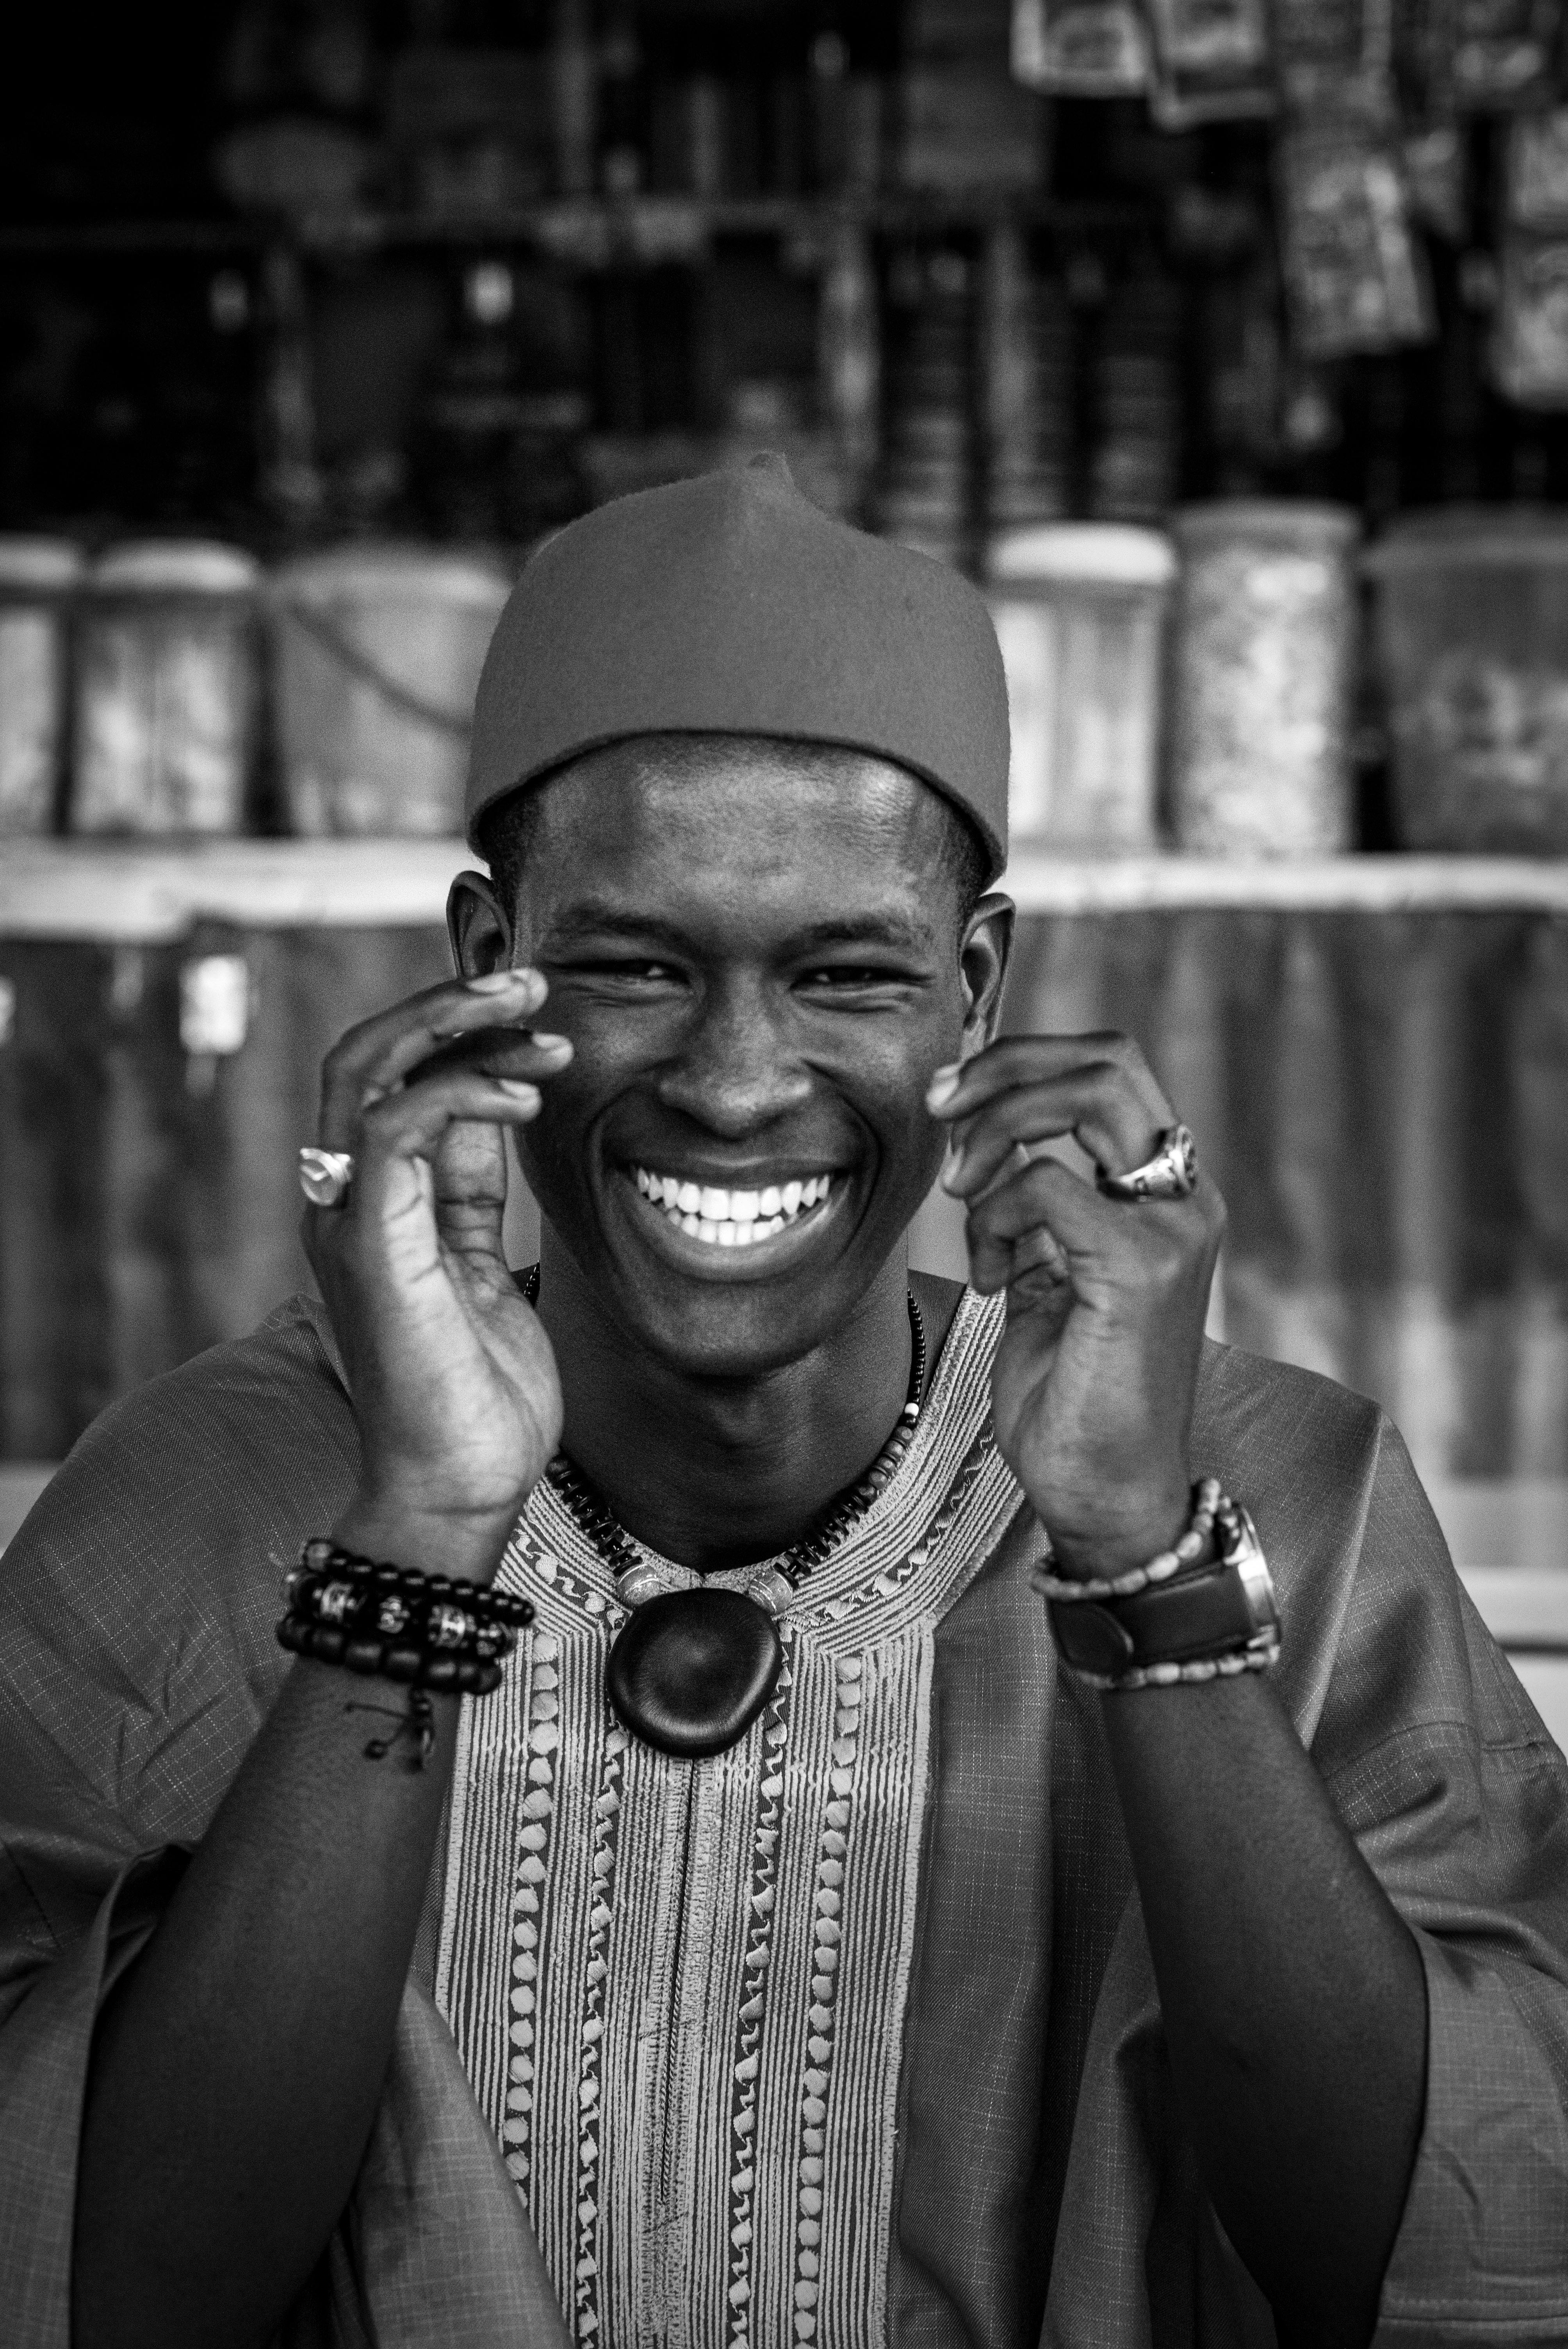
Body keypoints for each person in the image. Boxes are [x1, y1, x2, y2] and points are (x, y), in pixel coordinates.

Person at [3, 456, 1566, 2349]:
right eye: (637, 968)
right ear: (490, 963)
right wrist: (419, 1526)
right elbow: (94, 2288)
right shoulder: (200, 1498)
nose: (739, 1083)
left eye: (844, 976)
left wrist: (1137, 1557)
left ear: (972, 987)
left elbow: (1453, 2253)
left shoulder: (1275, 1499)